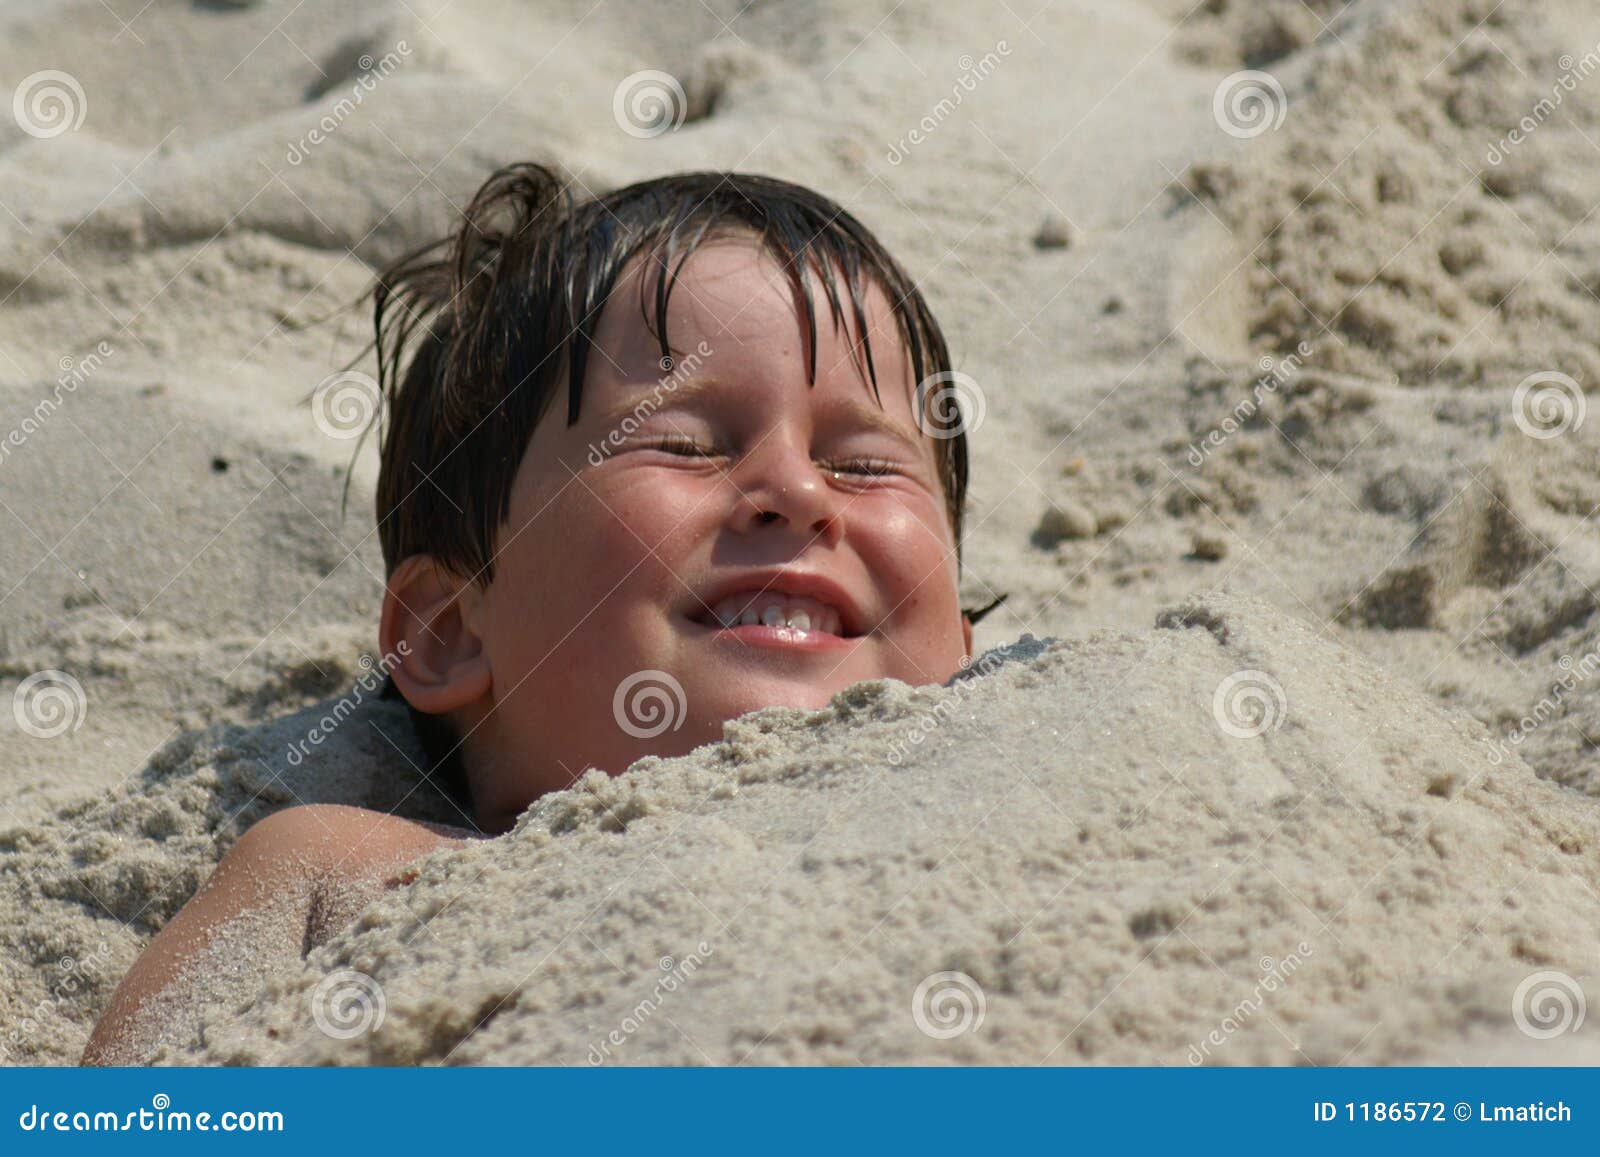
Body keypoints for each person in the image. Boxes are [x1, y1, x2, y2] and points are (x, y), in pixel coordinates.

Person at [82, 163, 1000, 1064]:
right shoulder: (348, 870)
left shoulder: (1037, 793)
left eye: (865, 464)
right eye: (686, 445)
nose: (799, 491)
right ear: (449, 633)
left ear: (964, 646)